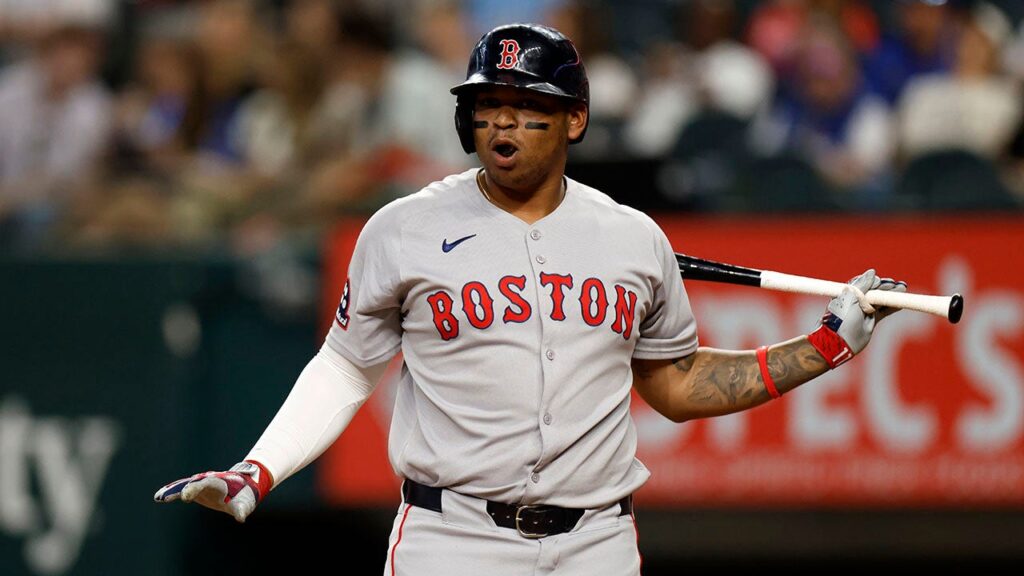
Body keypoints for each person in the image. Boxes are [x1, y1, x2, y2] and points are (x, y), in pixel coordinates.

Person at [154, 23, 906, 574]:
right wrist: (261, 467)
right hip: (454, 540)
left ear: (574, 119)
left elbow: (674, 385)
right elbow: (347, 368)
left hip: (596, 544)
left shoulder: (632, 238)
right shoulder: (402, 228)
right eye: (488, 104)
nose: (503, 121)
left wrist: (825, 348)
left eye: (527, 105)